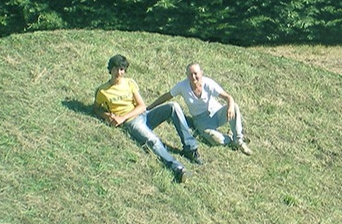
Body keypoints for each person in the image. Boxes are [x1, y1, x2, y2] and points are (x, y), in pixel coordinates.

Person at [94, 54, 202, 183]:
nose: (119, 72)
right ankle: (177, 168)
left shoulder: (129, 83)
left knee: (174, 106)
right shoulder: (102, 91)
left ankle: (190, 148)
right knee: (153, 140)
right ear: (110, 69)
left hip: (142, 116)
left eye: (122, 69)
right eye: (116, 69)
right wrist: (107, 116)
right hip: (132, 123)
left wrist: (122, 117)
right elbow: (96, 109)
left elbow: (141, 106)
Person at [150, 63, 251, 156]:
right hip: (201, 120)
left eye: (195, 73)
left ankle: (238, 140)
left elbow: (228, 97)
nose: (193, 77)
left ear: (201, 73)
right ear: (186, 75)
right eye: (190, 74)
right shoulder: (182, 86)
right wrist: (150, 107)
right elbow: (168, 96)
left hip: (216, 112)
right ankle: (229, 139)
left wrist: (230, 105)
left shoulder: (208, 83)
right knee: (215, 140)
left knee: (235, 107)